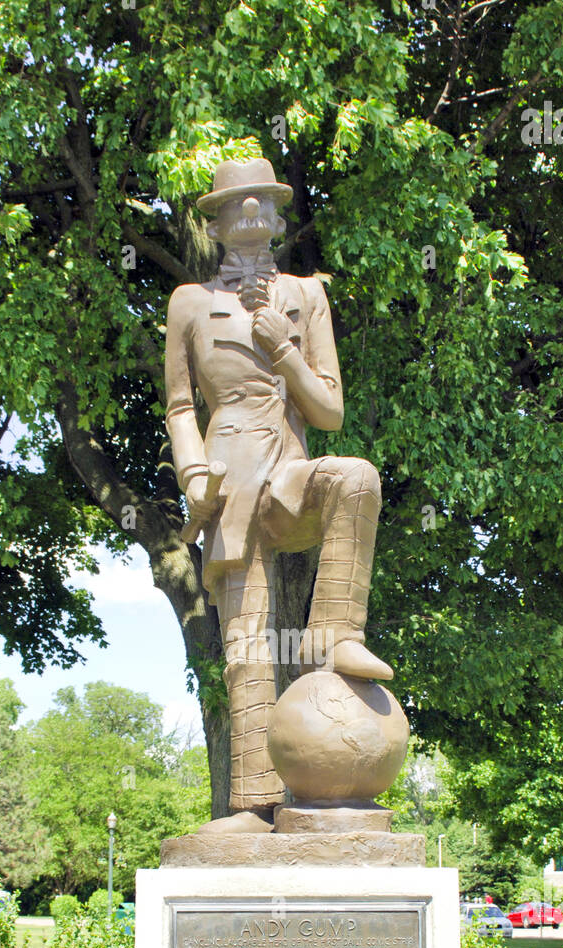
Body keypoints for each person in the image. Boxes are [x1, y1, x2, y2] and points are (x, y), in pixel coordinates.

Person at [165, 158, 391, 833]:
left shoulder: (304, 296)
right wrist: (191, 473)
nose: (254, 215)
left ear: (279, 215)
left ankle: (336, 636)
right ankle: (254, 805)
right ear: (215, 222)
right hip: (228, 480)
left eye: (264, 202)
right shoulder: (188, 303)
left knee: (354, 476)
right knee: (245, 648)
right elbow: (179, 406)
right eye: (239, 204)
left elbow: (328, 413)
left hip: (289, 473)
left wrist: (285, 350)